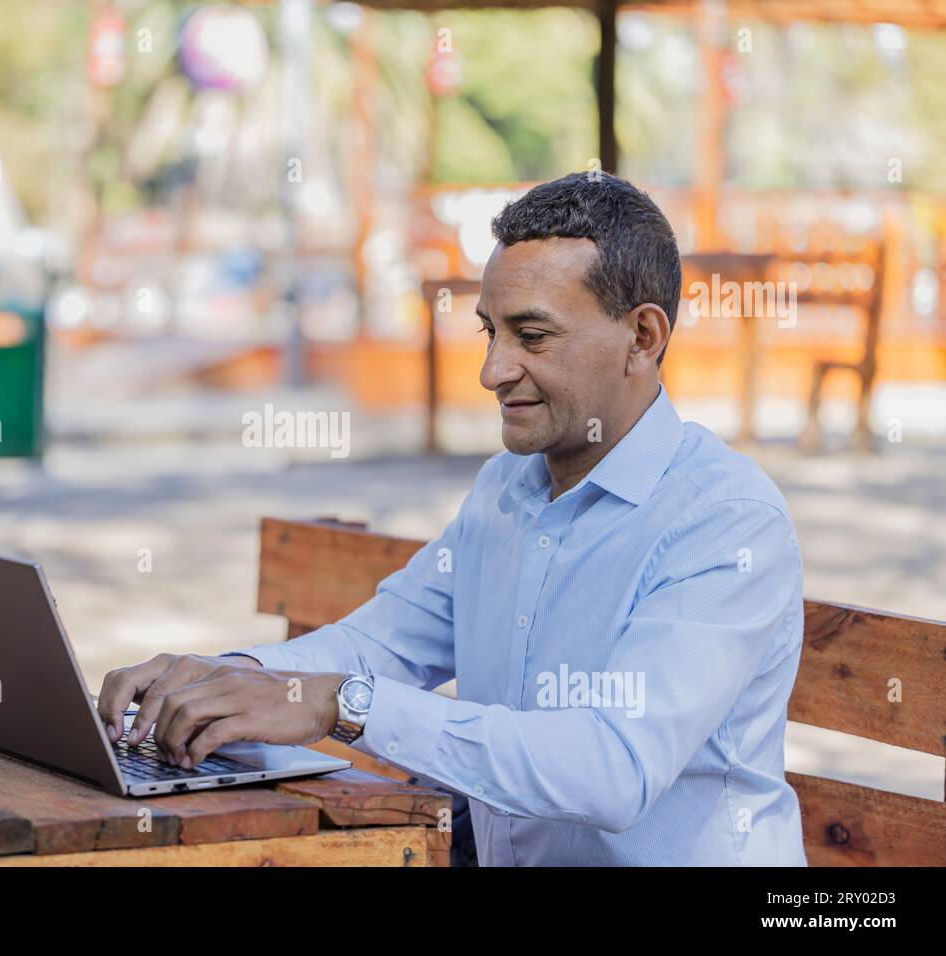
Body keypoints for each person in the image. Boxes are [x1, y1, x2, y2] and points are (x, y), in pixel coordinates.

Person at [97, 171, 807, 866]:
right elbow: (383, 644)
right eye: (489, 332)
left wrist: (341, 706)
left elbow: (613, 767)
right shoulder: (507, 490)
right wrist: (219, 678)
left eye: (532, 337)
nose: (493, 370)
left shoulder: (724, 521)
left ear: (644, 338)